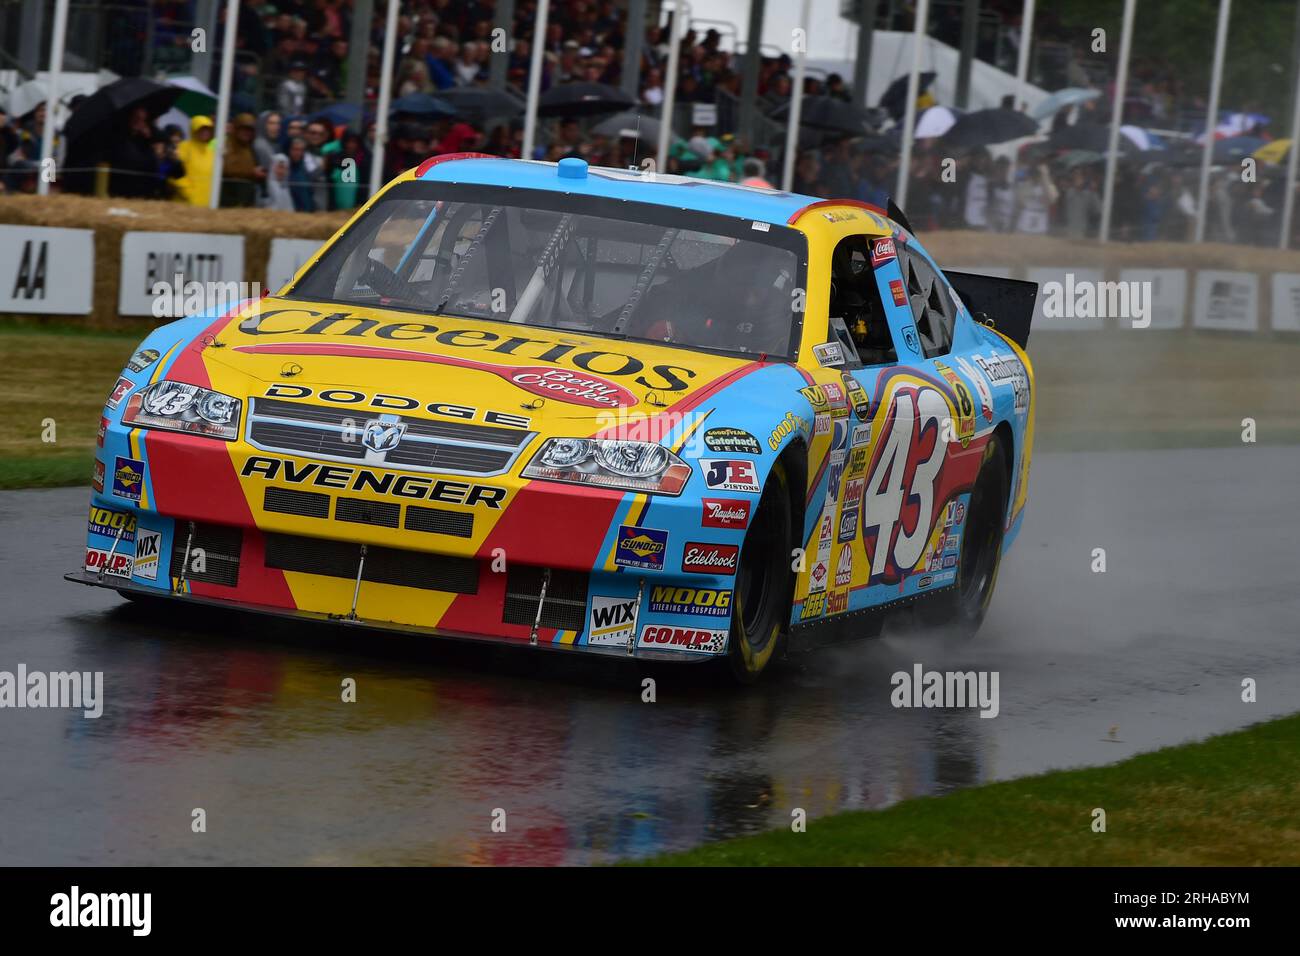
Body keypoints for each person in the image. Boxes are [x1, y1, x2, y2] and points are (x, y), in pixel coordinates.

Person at [220, 113, 265, 207]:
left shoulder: (250, 148)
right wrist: (252, 172)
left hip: (246, 198)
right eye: (243, 129)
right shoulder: (226, 146)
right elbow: (227, 168)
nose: (247, 133)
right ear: (236, 129)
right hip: (228, 198)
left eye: (250, 130)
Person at [174, 115, 215, 205]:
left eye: (208, 129)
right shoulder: (184, 147)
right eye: (201, 129)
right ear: (194, 129)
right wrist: (187, 193)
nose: (205, 132)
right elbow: (174, 172)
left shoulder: (212, 153)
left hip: (206, 204)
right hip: (185, 203)